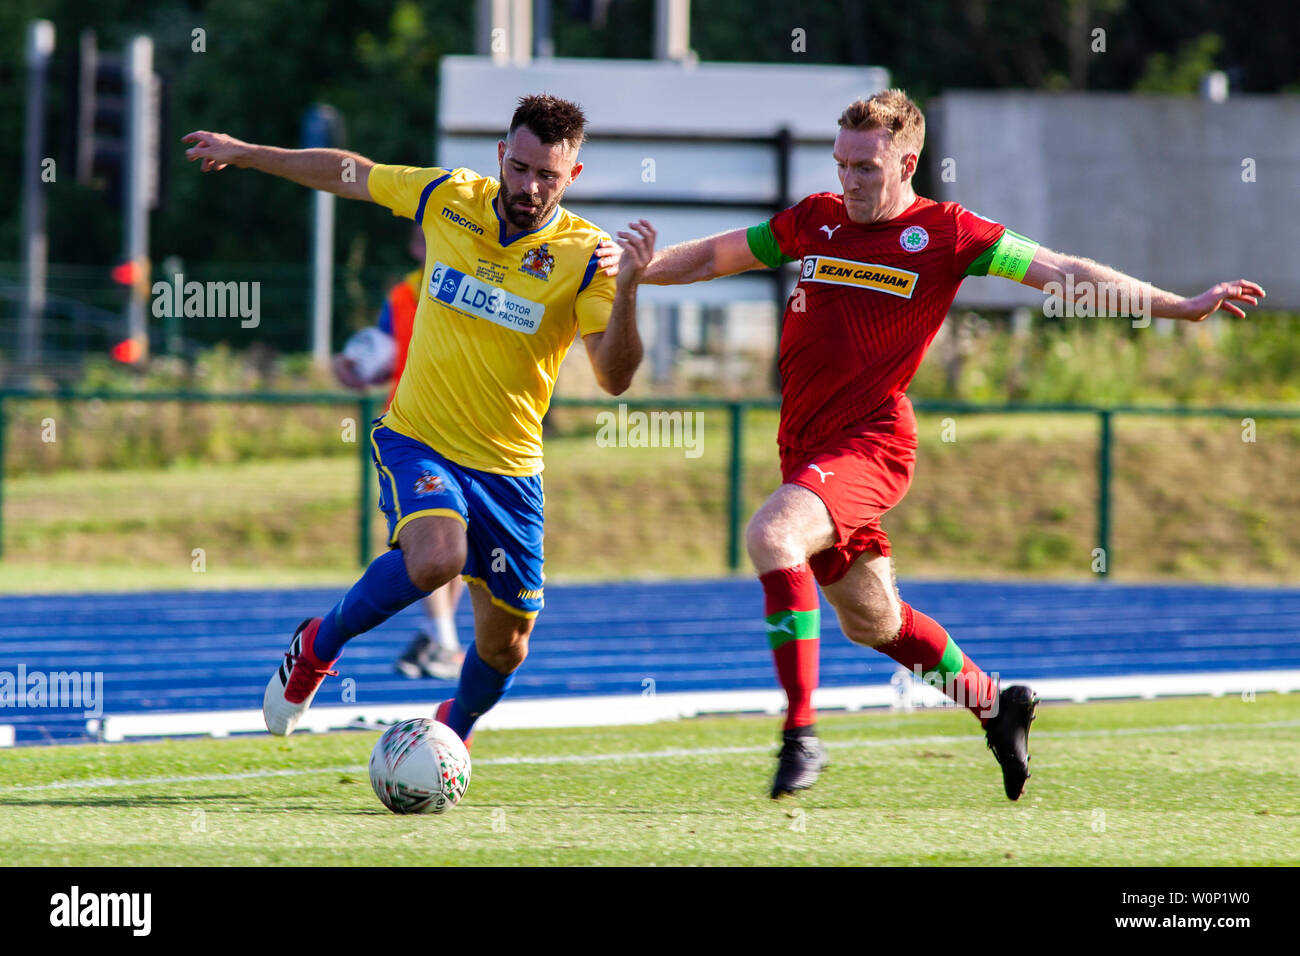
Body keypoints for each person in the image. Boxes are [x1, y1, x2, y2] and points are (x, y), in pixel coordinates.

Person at [637, 89, 1264, 800]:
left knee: (774, 535)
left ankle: (800, 736)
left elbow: (1061, 274)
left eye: (866, 168)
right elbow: (713, 257)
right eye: (841, 163)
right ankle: (995, 705)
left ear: (907, 162)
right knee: (874, 621)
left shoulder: (951, 233)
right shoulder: (813, 219)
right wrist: (632, 269)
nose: (849, 180)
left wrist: (1174, 305)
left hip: (869, 443)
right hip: (804, 446)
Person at [183, 94, 654, 749]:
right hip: (419, 439)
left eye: (547, 175)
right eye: (519, 168)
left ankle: (448, 734)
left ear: (572, 176)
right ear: (501, 155)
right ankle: (318, 647)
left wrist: (628, 287)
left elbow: (615, 375)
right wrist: (249, 154)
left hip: (511, 472)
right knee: (438, 556)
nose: (529, 186)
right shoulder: (448, 196)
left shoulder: (588, 257)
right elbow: (350, 171)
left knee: (505, 649)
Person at [332, 223, 466, 680]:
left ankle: (437, 638)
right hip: (413, 430)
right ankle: (445, 642)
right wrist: (353, 369)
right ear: (414, 245)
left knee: (459, 547)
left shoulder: (480, 283)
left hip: (471, 430)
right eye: (425, 239)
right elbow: (382, 357)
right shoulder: (403, 296)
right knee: (430, 538)